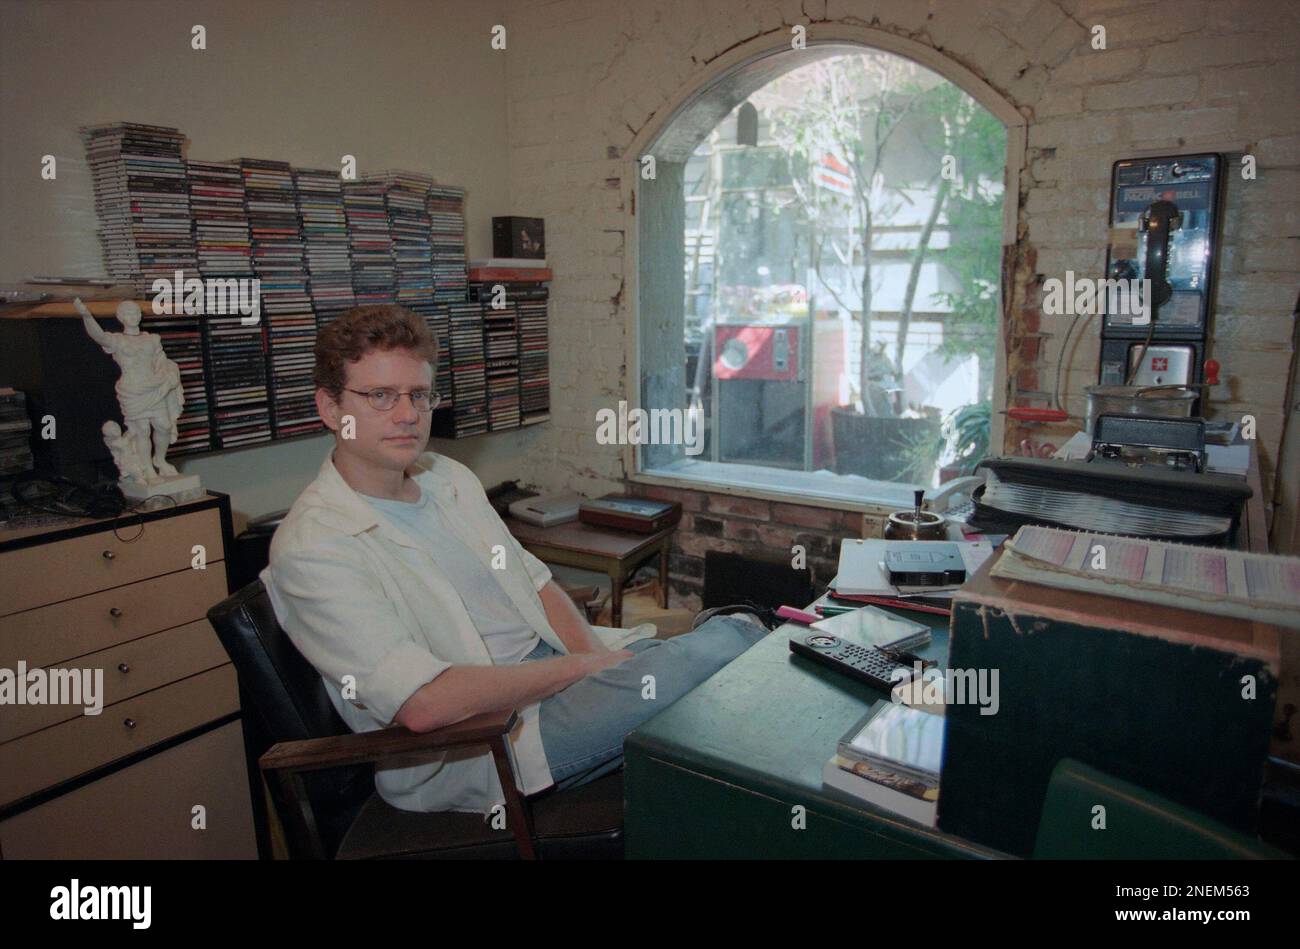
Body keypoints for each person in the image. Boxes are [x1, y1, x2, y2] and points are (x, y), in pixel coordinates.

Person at [263, 304, 767, 815]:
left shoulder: (447, 477)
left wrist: (592, 665)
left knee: (714, 695)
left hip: (556, 676)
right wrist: (589, 669)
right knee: (721, 655)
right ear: (330, 409)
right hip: (486, 736)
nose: (408, 414)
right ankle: (741, 628)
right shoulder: (313, 547)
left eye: (418, 394)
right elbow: (424, 703)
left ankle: (732, 638)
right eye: (379, 396)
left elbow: (537, 583)